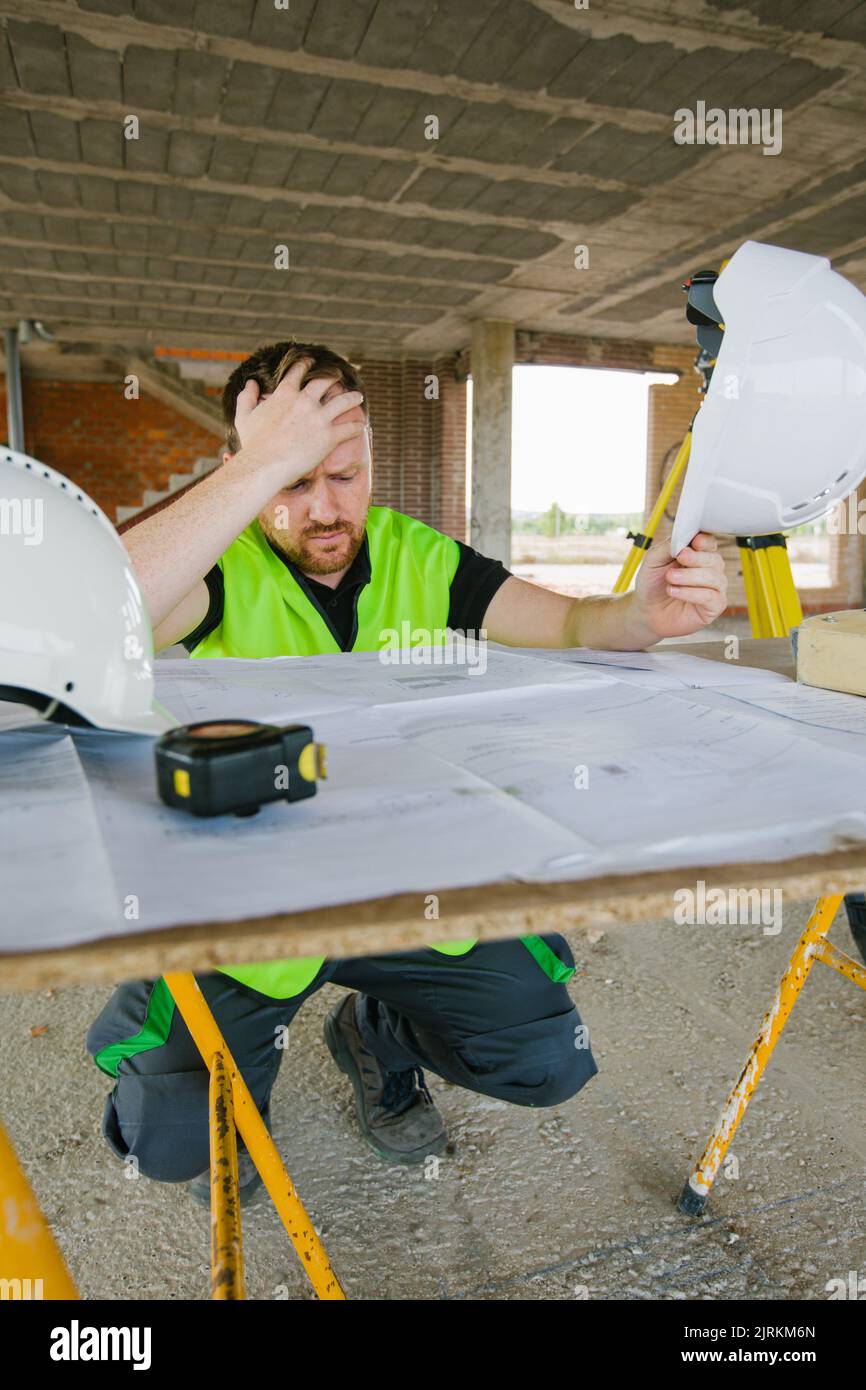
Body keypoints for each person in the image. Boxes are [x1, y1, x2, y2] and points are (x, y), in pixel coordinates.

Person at [87, 340, 728, 1202]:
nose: (324, 509)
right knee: (166, 1147)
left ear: (373, 459)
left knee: (544, 1060)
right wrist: (253, 469)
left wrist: (643, 614)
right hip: (250, 915)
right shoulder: (211, 570)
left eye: (344, 475)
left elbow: (578, 625)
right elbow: (91, 621)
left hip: (408, 888)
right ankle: (230, 1096)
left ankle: (374, 1034)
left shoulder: (422, 559)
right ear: (245, 467)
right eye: (291, 479)